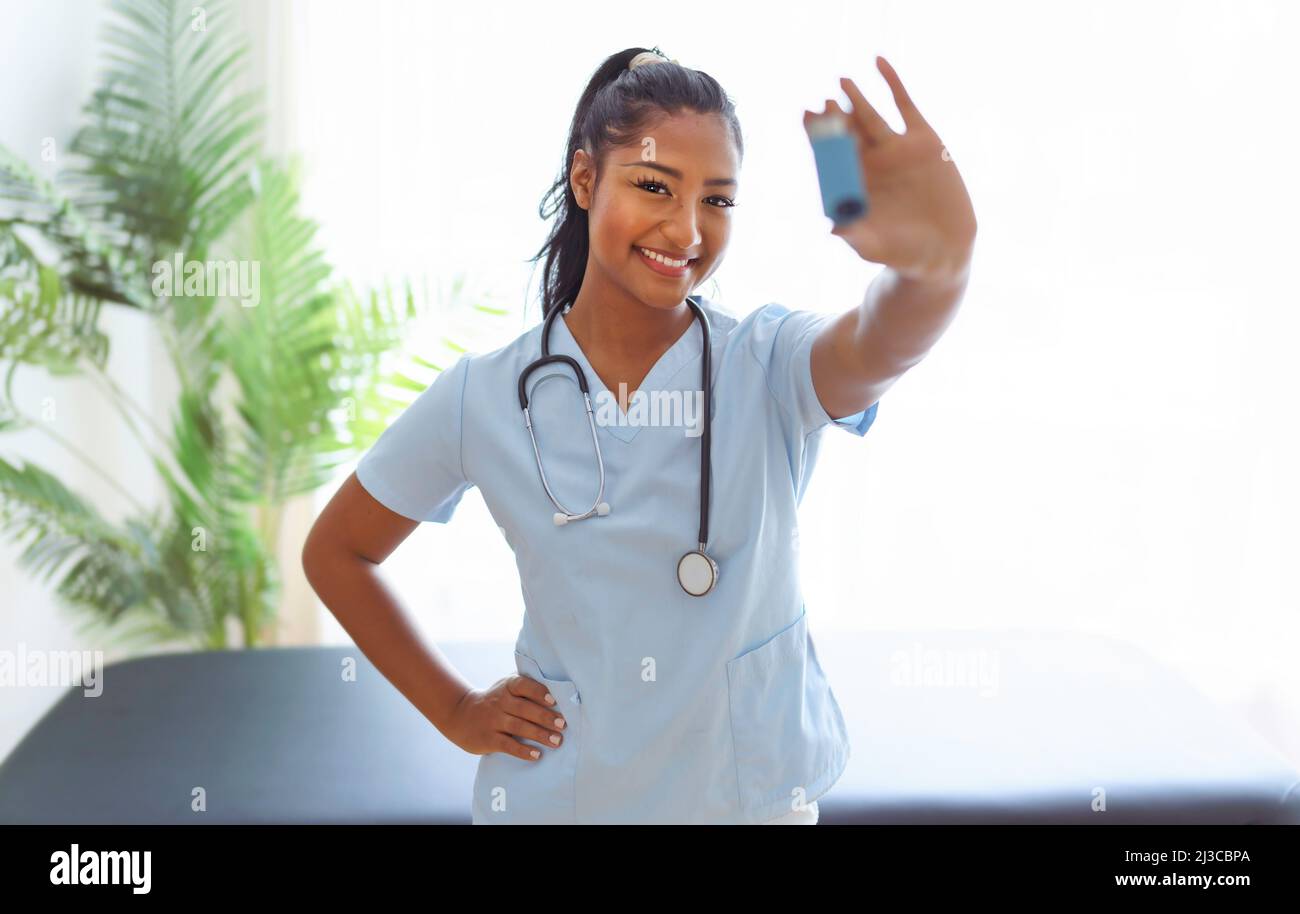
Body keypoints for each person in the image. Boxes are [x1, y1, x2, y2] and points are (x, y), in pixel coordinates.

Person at [302, 46, 976, 824]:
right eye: (654, 186)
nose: (686, 229)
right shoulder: (484, 396)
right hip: (564, 805)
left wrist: (935, 270)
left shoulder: (770, 363)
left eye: (717, 201)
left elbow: (878, 345)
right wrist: (454, 710)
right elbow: (337, 552)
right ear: (586, 180)